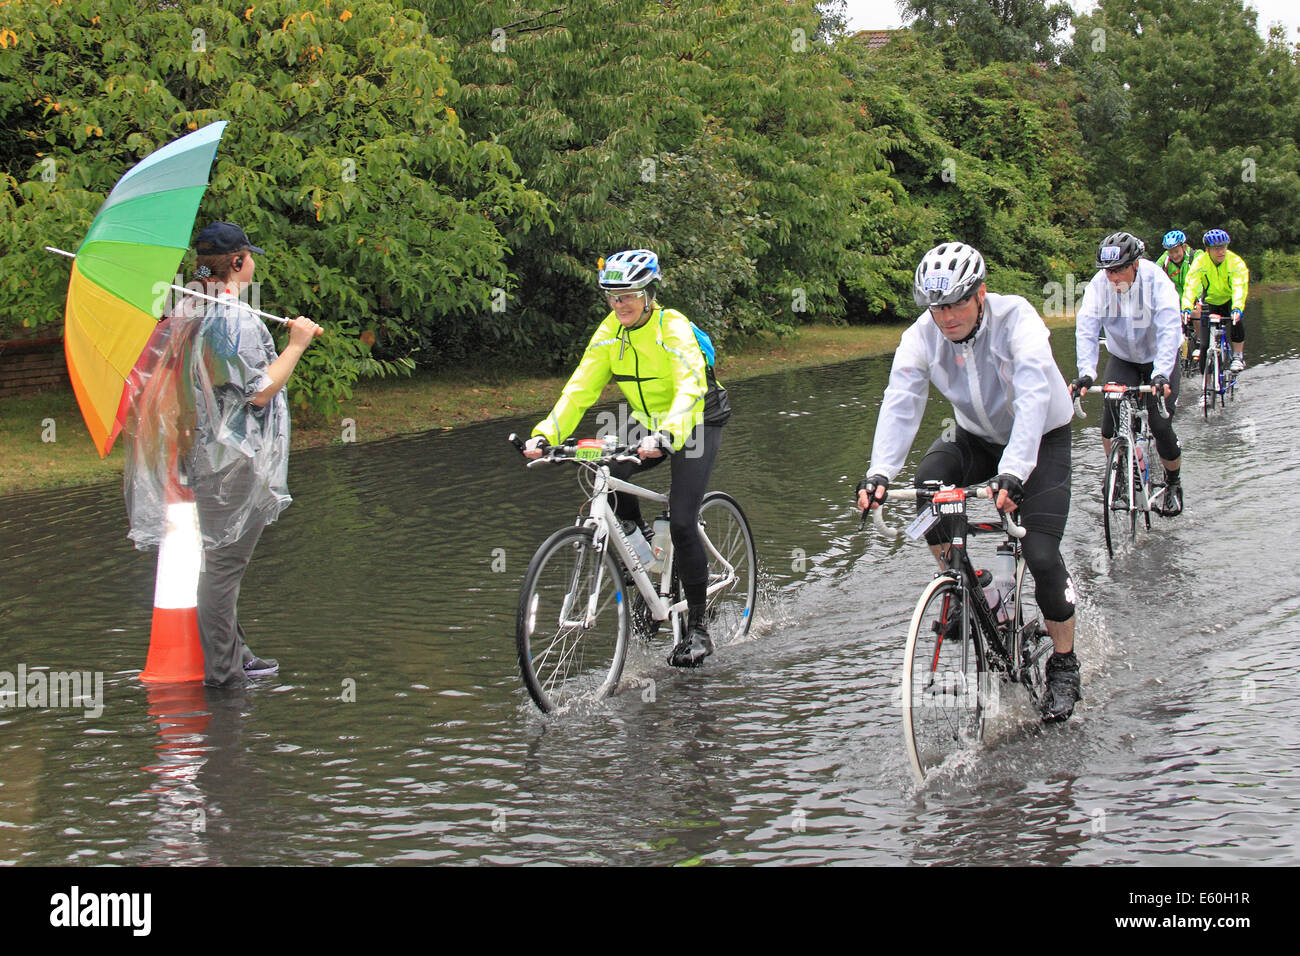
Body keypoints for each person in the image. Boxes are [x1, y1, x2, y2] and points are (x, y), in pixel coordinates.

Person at [856, 242, 1082, 722]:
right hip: (977, 438)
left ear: (981, 294)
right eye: (937, 306)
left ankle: (1065, 664)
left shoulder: (1017, 319)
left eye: (958, 302)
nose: (947, 316)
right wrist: (879, 472)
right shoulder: (921, 336)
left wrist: (1015, 472)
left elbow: (1035, 394)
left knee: (1041, 554)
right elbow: (901, 401)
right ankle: (965, 583)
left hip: (1040, 435)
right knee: (926, 492)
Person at [522, 250, 731, 667]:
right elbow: (580, 389)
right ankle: (649, 556)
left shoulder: (670, 327)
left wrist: (669, 433)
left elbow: (690, 385)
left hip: (698, 418)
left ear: (649, 293)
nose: (620, 305)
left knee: (683, 518)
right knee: (612, 472)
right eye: (613, 297)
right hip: (649, 420)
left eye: (629, 295)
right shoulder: (609, 333)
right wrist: (546, 434)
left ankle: (699, 630)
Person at [150, 221, 321, 687]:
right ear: (239, 262)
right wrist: (297, 344)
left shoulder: (190, 309)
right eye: (251, 256)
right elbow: (260, 392)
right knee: (225, 567)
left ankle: (237, 655)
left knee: (223, 561)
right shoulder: (233, 318)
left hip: (209, 453)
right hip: (232, 461)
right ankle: (224, 673)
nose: (254, 263)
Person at [1071, 231, 1184, 517]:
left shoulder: (1157, 281)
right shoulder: (1099, 286)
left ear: (1135, 263)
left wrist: (1161, 375)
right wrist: (1086, 372)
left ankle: (1173, 483)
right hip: (1123, 358)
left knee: (1160, 425)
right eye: (1108, 271)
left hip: (1160, 358)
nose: (1113, 277)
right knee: (1109, 424)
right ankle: (1119, 472)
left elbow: (1171, 330)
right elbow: (1086, 327)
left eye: (1119, 269)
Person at [1182, 228, 1249, 374]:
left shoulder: (1235, 262)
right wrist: (1186, 307)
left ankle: (1238, 356)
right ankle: (1206, 387)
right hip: (1210, 302)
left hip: (1229, 300)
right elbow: (1191, 285)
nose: (1221, 252)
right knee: (1205, 346)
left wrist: (1237, 307)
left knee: (1236, 320)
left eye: (1224, 247)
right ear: (1208, 250)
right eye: (1217, 248)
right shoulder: (1201, 262)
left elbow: (1239, 286)